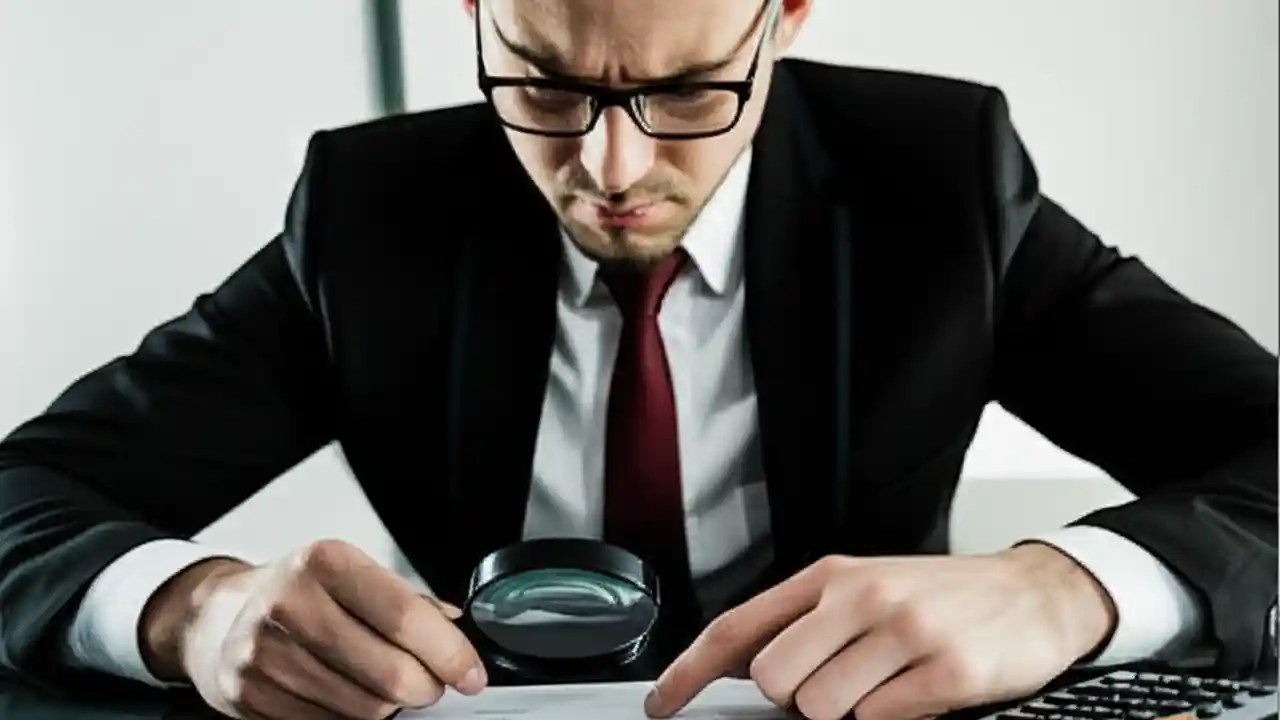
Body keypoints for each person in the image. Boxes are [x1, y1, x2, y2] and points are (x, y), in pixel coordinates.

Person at [0, 0, 1275, 718]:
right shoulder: (367, 210)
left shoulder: (937, 181)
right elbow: (24, 500)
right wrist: (185, 608)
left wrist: (1072, 587)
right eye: (544, 89)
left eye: (683, 97)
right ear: (473, 14)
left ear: (781, 20)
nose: (608, 173)